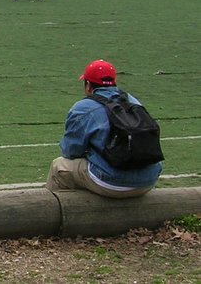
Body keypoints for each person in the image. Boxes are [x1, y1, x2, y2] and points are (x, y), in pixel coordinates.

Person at [45, 60, 162, 198]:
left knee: (59, 167)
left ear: (88, 85)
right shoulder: (133, 101)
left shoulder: (83, 108)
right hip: (148, 180)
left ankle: (56, 213)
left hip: (111, 183)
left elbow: (71, 151)